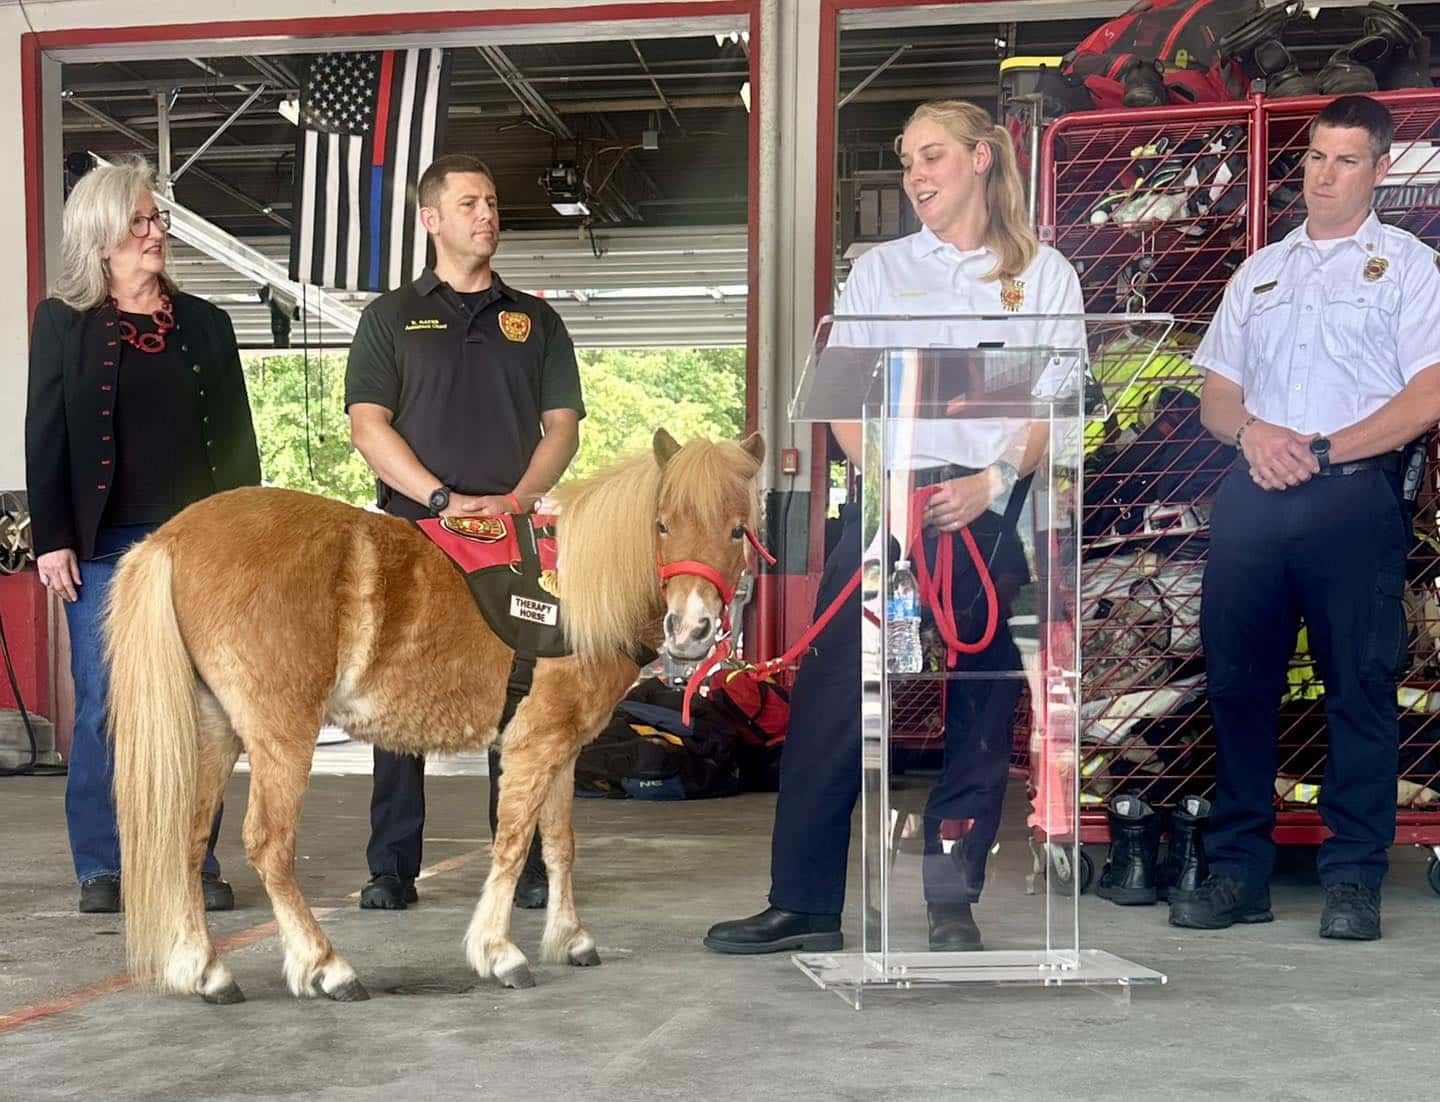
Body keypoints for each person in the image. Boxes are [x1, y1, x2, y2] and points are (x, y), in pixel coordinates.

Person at [705, 100, 1084, 955]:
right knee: (832, 698)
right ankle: (804, 905)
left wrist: (992, 481)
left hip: (996, 508)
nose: (916, 175)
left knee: (981, 710)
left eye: (932, 156)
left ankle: (952, 903)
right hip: (891, 508)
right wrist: (892, 490)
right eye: (908, 160)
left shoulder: (1045, 274)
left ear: (981, 159)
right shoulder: (879, 271)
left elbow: (1057, 406)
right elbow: (842, 400)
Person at [1176, 94, 1440, 941]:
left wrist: (1323, 451)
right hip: (1254, 493)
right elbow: (1217, 396)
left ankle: (1353, 879)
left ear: (1381, 170)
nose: (1325, 176)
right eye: (1316, 157)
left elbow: (1427, 395)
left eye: (1346, 160)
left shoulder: (1412, 269)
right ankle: (1238, 875)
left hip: (1353, 495)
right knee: (1236, 686)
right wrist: (1255, 435)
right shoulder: (1260, 271)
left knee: (1359, 688)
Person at [344, 153, 584, 911]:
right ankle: (391, 866)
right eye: (470, 203)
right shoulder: (389, 317)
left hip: (511, 534)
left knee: (518, 697)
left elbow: (563, 426)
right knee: (395, 692)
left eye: (492, 203)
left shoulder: (536, 321)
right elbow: (367, 425)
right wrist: (440, 498)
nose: (487, 215)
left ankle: (523, 861)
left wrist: (517, 499)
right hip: (413, 532)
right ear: (431, 219)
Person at [25, 156, 260, 914]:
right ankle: (102, 865)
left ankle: (194, 857)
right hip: (99, 549)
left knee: (198, 705)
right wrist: (51, 538)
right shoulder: (62, 323)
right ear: (102, 236)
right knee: (104, 704)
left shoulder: (207, 324)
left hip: (198, 545)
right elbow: (46, 434)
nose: (156, 232)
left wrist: (248, 541)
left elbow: (238, 442)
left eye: (156, 218)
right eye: (139, 221)